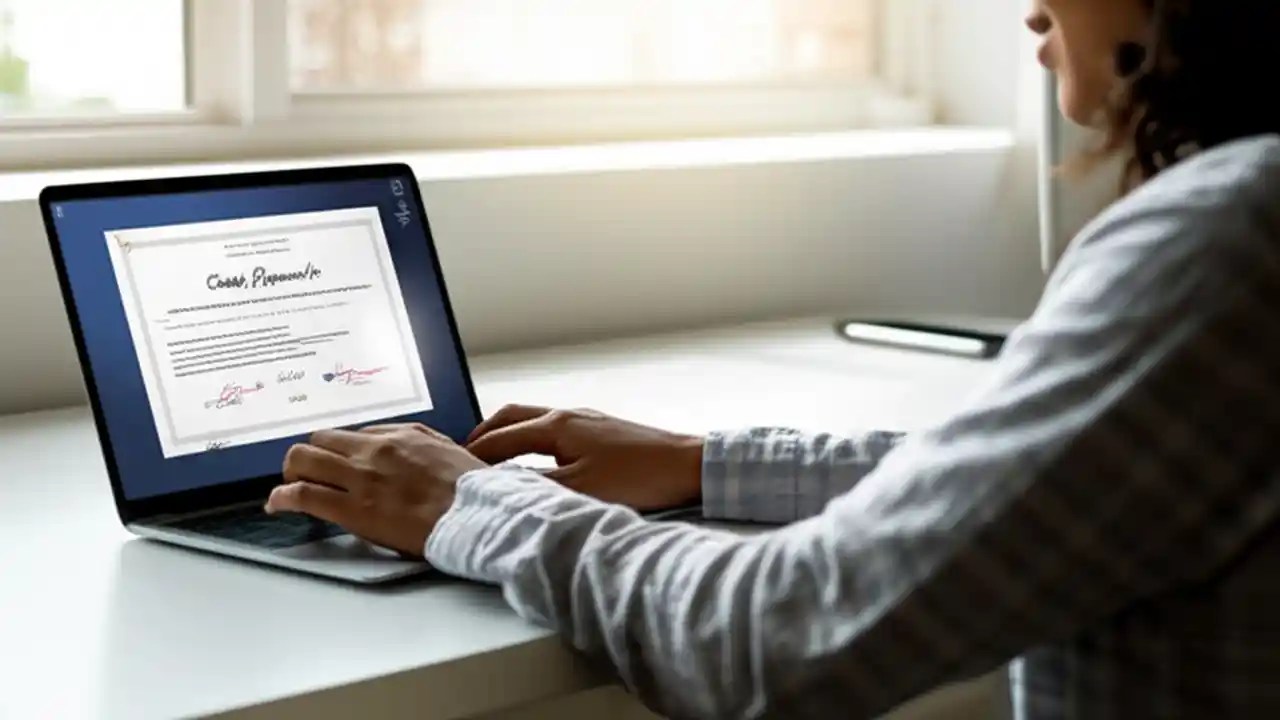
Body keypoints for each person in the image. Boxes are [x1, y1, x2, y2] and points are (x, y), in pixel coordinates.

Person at [265, 0, 1280, 717]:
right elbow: (1060, 484)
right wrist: (706, 464)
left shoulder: (1224, 242)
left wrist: (471, 509)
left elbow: (776, 645)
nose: (1024, 15)